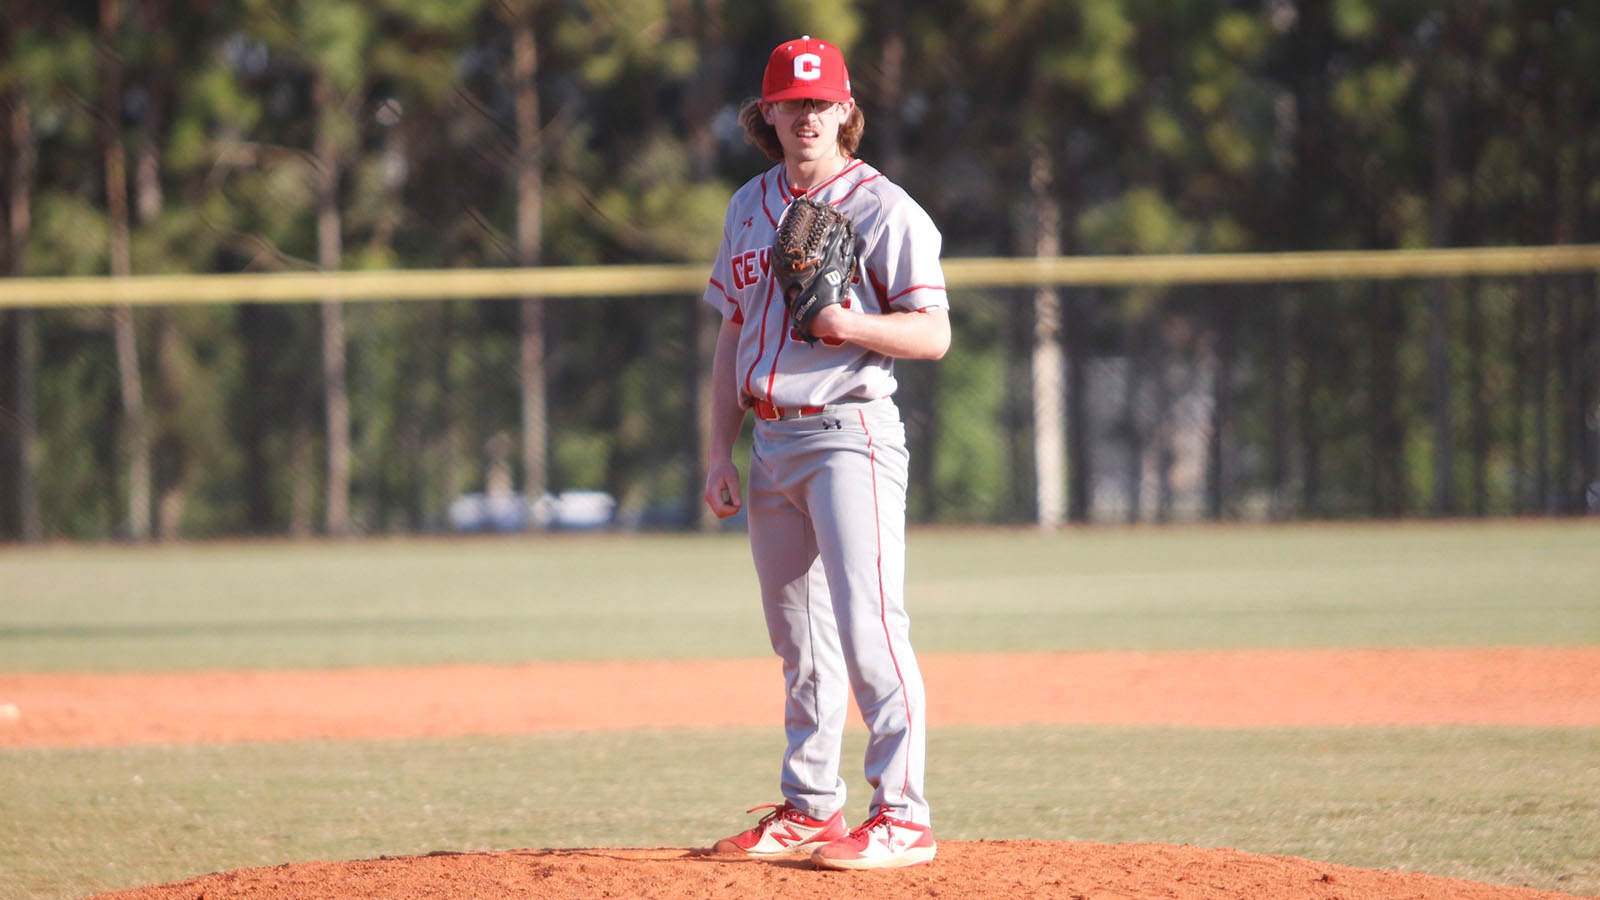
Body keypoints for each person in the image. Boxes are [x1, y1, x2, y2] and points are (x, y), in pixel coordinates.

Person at [700, 35, 951, 871]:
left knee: (871, 630)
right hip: (770, 442)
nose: (805, 116)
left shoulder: (886, 209)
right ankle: (811, 808)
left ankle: (904, 817)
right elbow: (733, 333)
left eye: (820, 103)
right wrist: (717, 455)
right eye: (790, 102)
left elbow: (934, 332)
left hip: (850, 435)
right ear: (765, 113)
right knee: (800, 643)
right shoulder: (746, 205)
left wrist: (850, 325)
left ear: (846, 111)